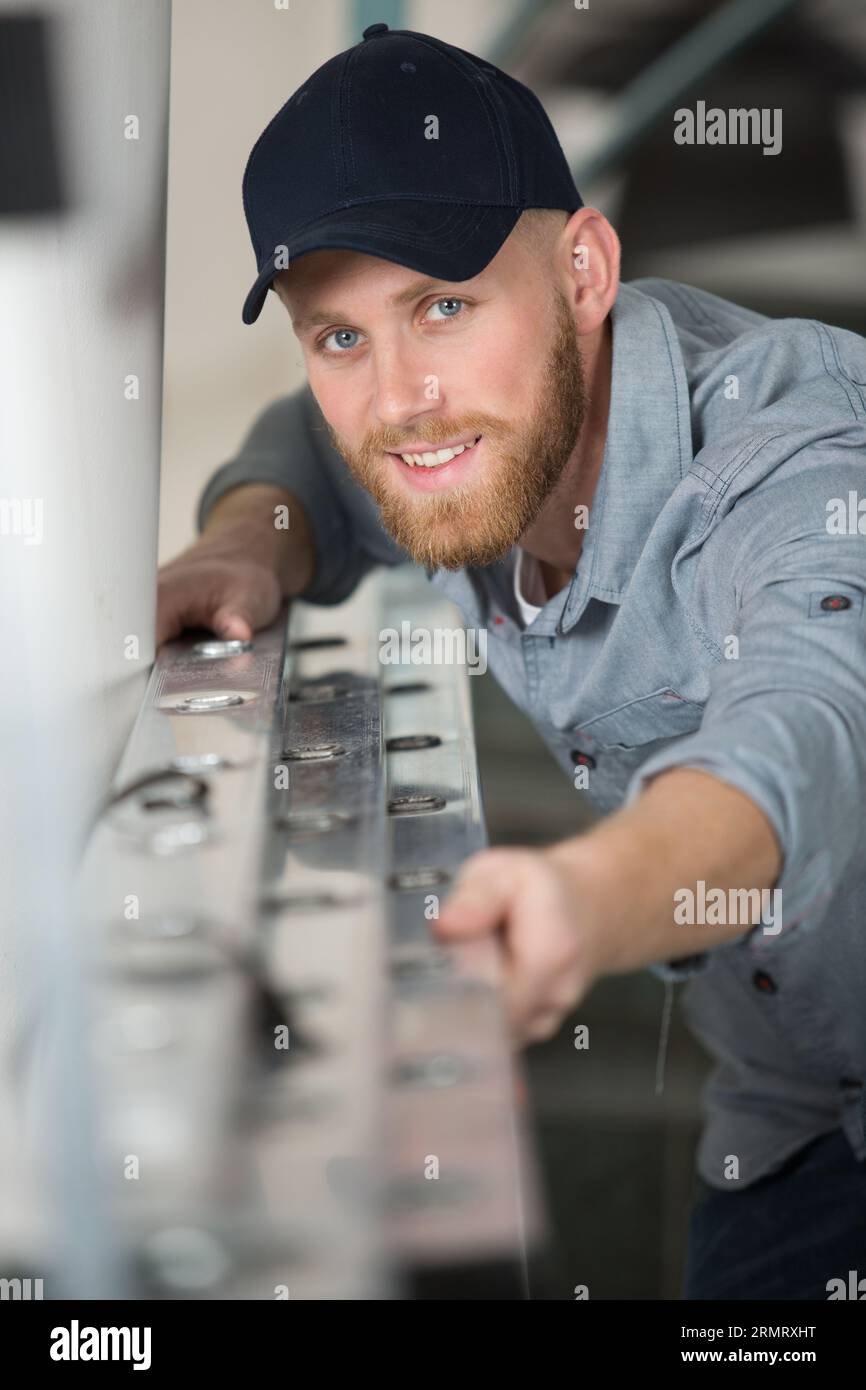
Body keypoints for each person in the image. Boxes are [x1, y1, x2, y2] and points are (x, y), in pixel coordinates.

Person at [157, 24, 866, 1299]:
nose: (399, 398)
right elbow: (309, 458)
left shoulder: (790, 451)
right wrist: (241, 547)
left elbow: (813, 719)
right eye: (338, 337)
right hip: (792, 1120)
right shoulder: (474, 444)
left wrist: (588, 896)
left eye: (441, 305)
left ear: (585, 269)